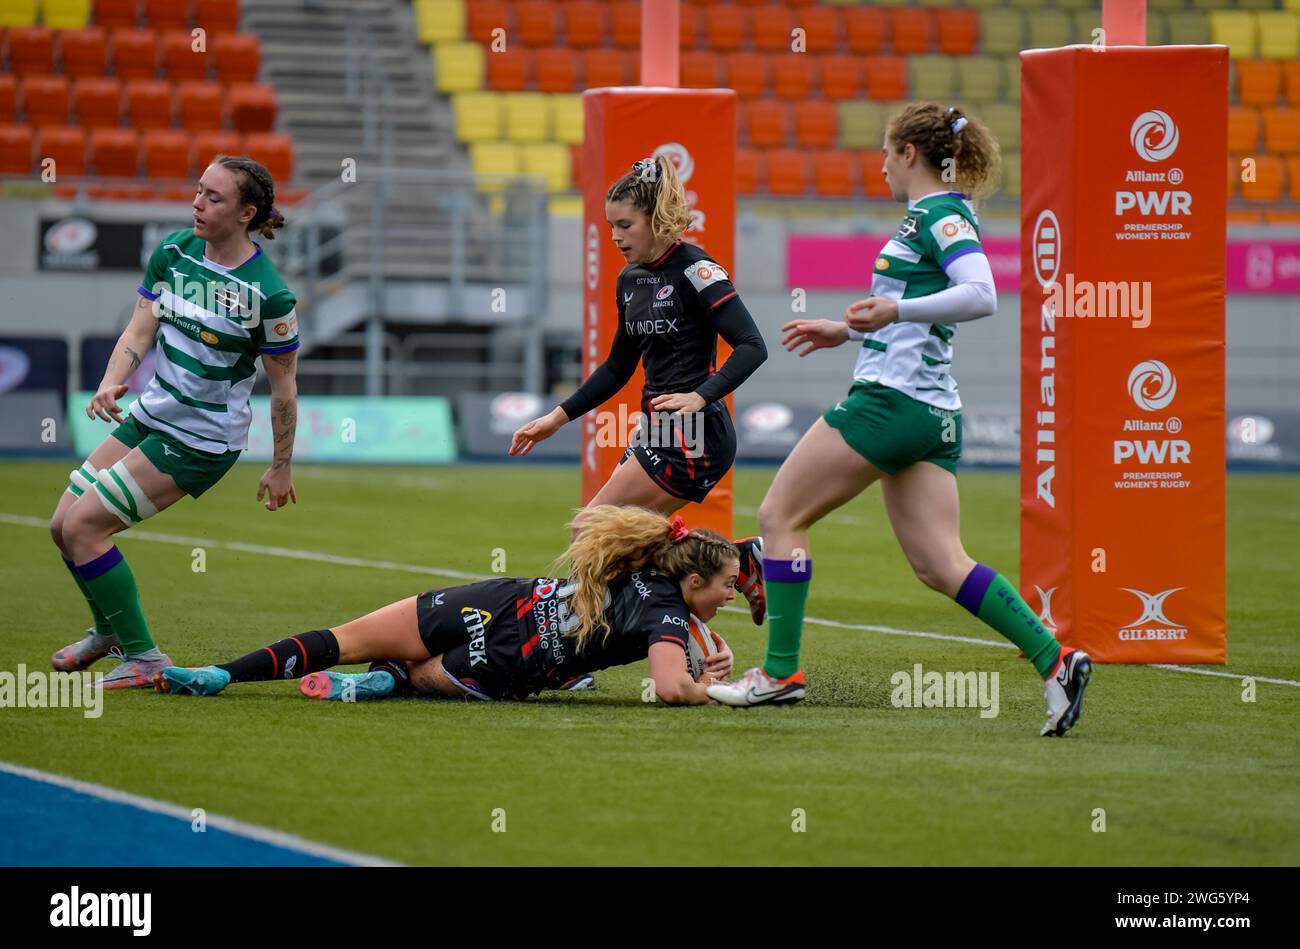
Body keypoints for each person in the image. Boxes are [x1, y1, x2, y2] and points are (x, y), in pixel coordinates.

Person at [707, 104, 1093, 737]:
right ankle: (1057, 661)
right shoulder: (944, 214)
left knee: (780, 517)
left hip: (890, 404)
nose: (880, 164)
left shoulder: (938, 213)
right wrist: (848, 328)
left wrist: (890, 312)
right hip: (933, 410)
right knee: (941, 564)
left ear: (910, 154)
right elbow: (923, 311)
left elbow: (981, 294)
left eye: (886, 152)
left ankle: (779, 674)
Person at [48, 156, 300, 689]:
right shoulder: (173, 252)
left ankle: (144, 658)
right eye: (198, 190)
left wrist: (281, 466)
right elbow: (140, 330)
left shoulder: (270, 296)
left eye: (213, 197)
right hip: (152, 414)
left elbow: (283, 389)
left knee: (85, 528)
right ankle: (108, 631)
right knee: (60, 526)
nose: (197, 202)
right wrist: (112, 379)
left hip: (202, 439)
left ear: (246, 213)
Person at [508, 155, 770, 626]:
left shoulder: (697, 271)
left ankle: (586, 650)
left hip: (694, 434)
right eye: (610, 226)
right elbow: (616, 368)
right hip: (658, 431)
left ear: (655, 217)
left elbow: (753, 346)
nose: (616, 236)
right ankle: (735, 565)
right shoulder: (629, 281)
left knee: (590, 533)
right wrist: (557, 417)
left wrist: (701, 395)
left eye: (625, 225)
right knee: (620, 548)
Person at [154, 506, 737, 706]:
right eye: (728, 585)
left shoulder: (645, 556)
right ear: (690, 581)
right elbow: (669, 689)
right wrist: (713, 690)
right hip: (511, 658)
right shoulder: (667, 613)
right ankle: (385, 683)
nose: (731, 595)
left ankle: (219, 674)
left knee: (346, 636)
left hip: (499, 601)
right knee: (413, 672)